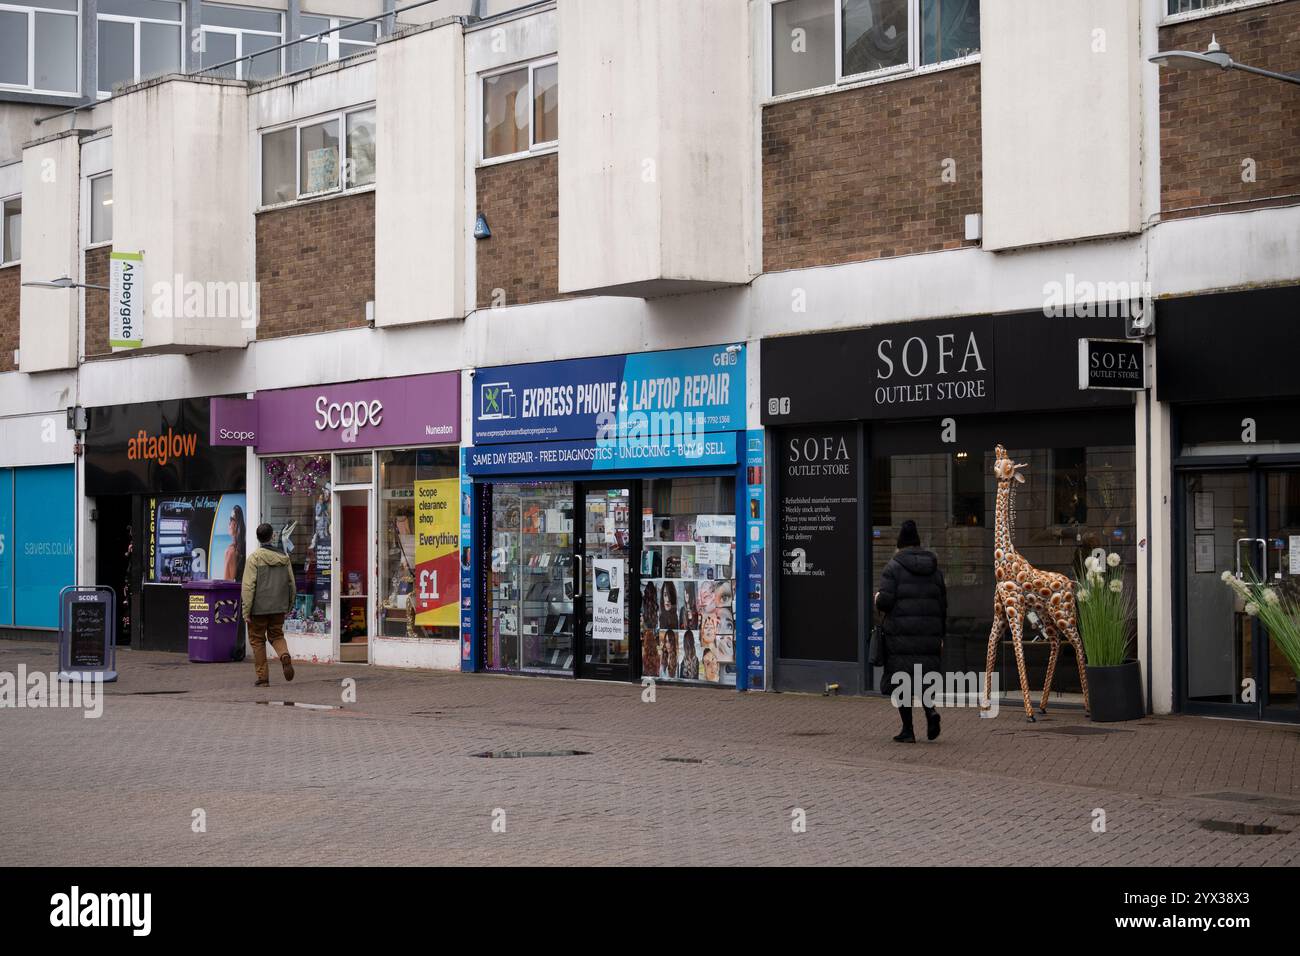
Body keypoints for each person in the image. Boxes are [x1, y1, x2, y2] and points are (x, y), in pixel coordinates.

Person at [875, 520, 946, 743]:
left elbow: (885, 602)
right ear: (918, 543)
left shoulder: (893, 568)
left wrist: (877, 598)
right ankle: (930, 711)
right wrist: (940, 635)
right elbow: (943, 604)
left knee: (902, 680)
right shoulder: (935, 569)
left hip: (901, 635)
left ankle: (908, 730)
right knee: (924, 678)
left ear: (900, 544)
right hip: (929, 634)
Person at [241, 522, 296, 687]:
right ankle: (284, 655)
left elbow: (248, 587)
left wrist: (246, 611)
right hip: (278, 607)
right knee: (277, 635)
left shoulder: (254, 558)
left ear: (258, 538)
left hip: (258, 609)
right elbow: (291, 584)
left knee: (257, 641)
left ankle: (263, 678)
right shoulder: (284, 558)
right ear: (272, 536)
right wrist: (289, 605)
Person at [222, 504, 246, 581]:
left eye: (231, 519)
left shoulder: (231, 551)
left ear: (236, 525)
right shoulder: (244, 547)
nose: (229, 524)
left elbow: (227, 582)